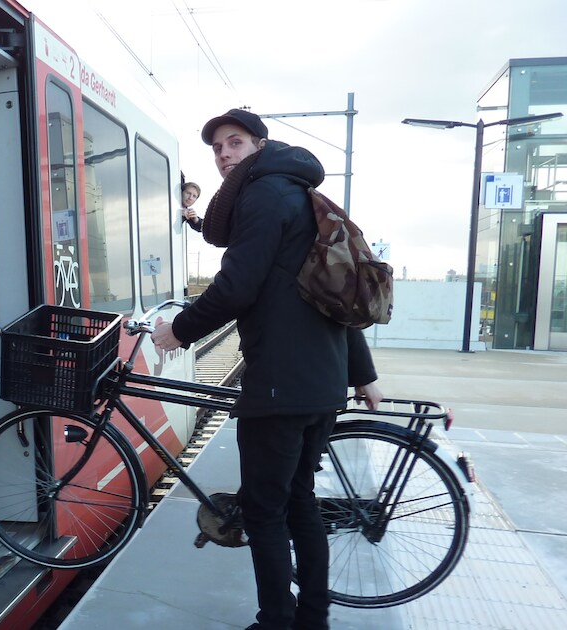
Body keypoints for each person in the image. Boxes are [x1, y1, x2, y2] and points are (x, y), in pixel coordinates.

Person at [149, 108, 383, 630]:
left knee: (267, 511)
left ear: (259, 146)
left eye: (235, 143)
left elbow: (237, 286)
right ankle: (312, 618)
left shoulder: (263, 195)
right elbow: (334, 296)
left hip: (281, 387)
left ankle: (278, 620)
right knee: (298, 501)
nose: (225, 154)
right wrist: (361, 372)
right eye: (217, 148)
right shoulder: (303, 196)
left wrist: (178, 330)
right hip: (320, 386)